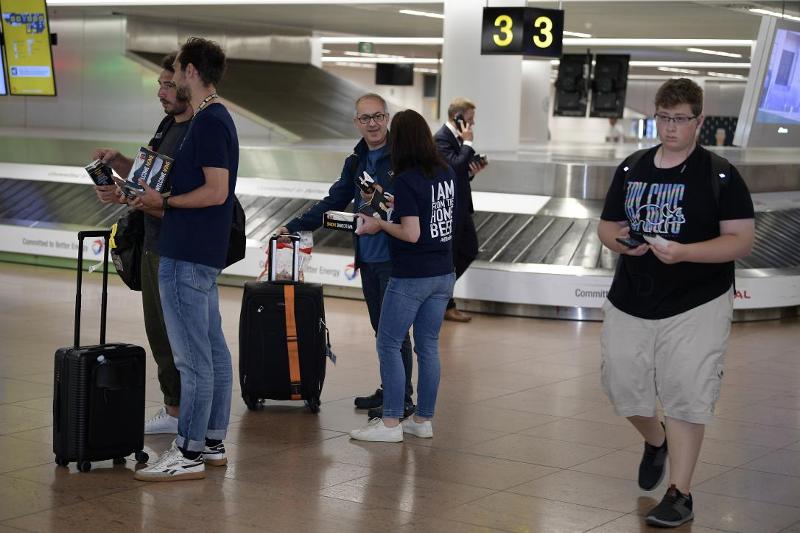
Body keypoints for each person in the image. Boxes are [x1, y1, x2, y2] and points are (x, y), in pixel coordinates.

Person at [597, 78, 754, 527]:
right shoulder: (632, 168)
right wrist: (620, 244)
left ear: (699, 121)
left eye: (680, 120)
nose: (670, 128)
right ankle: (656, 439)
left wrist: (686, 252)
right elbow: (607, 226)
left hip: (697, 301)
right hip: (631, 297)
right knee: (622, 386)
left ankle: (680, 493)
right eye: (663, 118)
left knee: (686, 394)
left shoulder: (720, 175)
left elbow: (741, 240)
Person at [133, 37, 238, 482]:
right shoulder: (211, 117)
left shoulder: (209, 121)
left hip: (186, 252)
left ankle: (188, 450)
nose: (171, 77)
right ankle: (211, 442)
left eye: (176, 69)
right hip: (200, 252)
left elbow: (217, 191)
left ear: (191, 71)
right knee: (212, 350)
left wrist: (166, 202)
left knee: (193, 359)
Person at [276, 93, 416, 420]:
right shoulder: (355, 161)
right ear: (356, 122)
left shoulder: (402, 157)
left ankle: (402, 398)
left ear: (387, 118)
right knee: (381, 330)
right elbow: (334, 201)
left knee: (394, 333)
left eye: (378, 116)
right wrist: (293, 226)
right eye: (365, 118)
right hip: (368, 258)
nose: (373, 124)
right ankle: (390, 387)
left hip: (394, 258)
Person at [92, 52, 192, 435]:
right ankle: (174, 410)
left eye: (168, 85)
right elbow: (148, 180)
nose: (161, 93)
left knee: (180, 335)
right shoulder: (167, 125)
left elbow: (181, 194)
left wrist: (138, 197)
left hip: (177, 247)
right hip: (153, 241)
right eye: (160, 85)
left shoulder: (197, 131)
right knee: (159, 332)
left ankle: (191, 417)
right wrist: (119, 166)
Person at [349, 109, 456, 443]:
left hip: (412, 275)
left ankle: (391, 422)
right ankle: (422, 420)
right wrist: (393, 204)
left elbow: (411, 233)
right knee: (428, 346)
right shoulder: (445, 171)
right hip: (443, 272)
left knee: (389, 342)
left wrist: (379, 223)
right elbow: (431, 213)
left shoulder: (408, 178)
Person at [434, 97, 486, 323]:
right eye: (470, 118)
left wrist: (472, 171)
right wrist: (468, 143)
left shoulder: (455, 139)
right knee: (454, 254)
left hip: (462, 206)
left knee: (468, 250)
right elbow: (454, 166)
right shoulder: (441, 139)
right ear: (457, 117)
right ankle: (444, 302)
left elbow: (459, 171)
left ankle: (442, 296)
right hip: (451, 209)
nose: (472, 123)